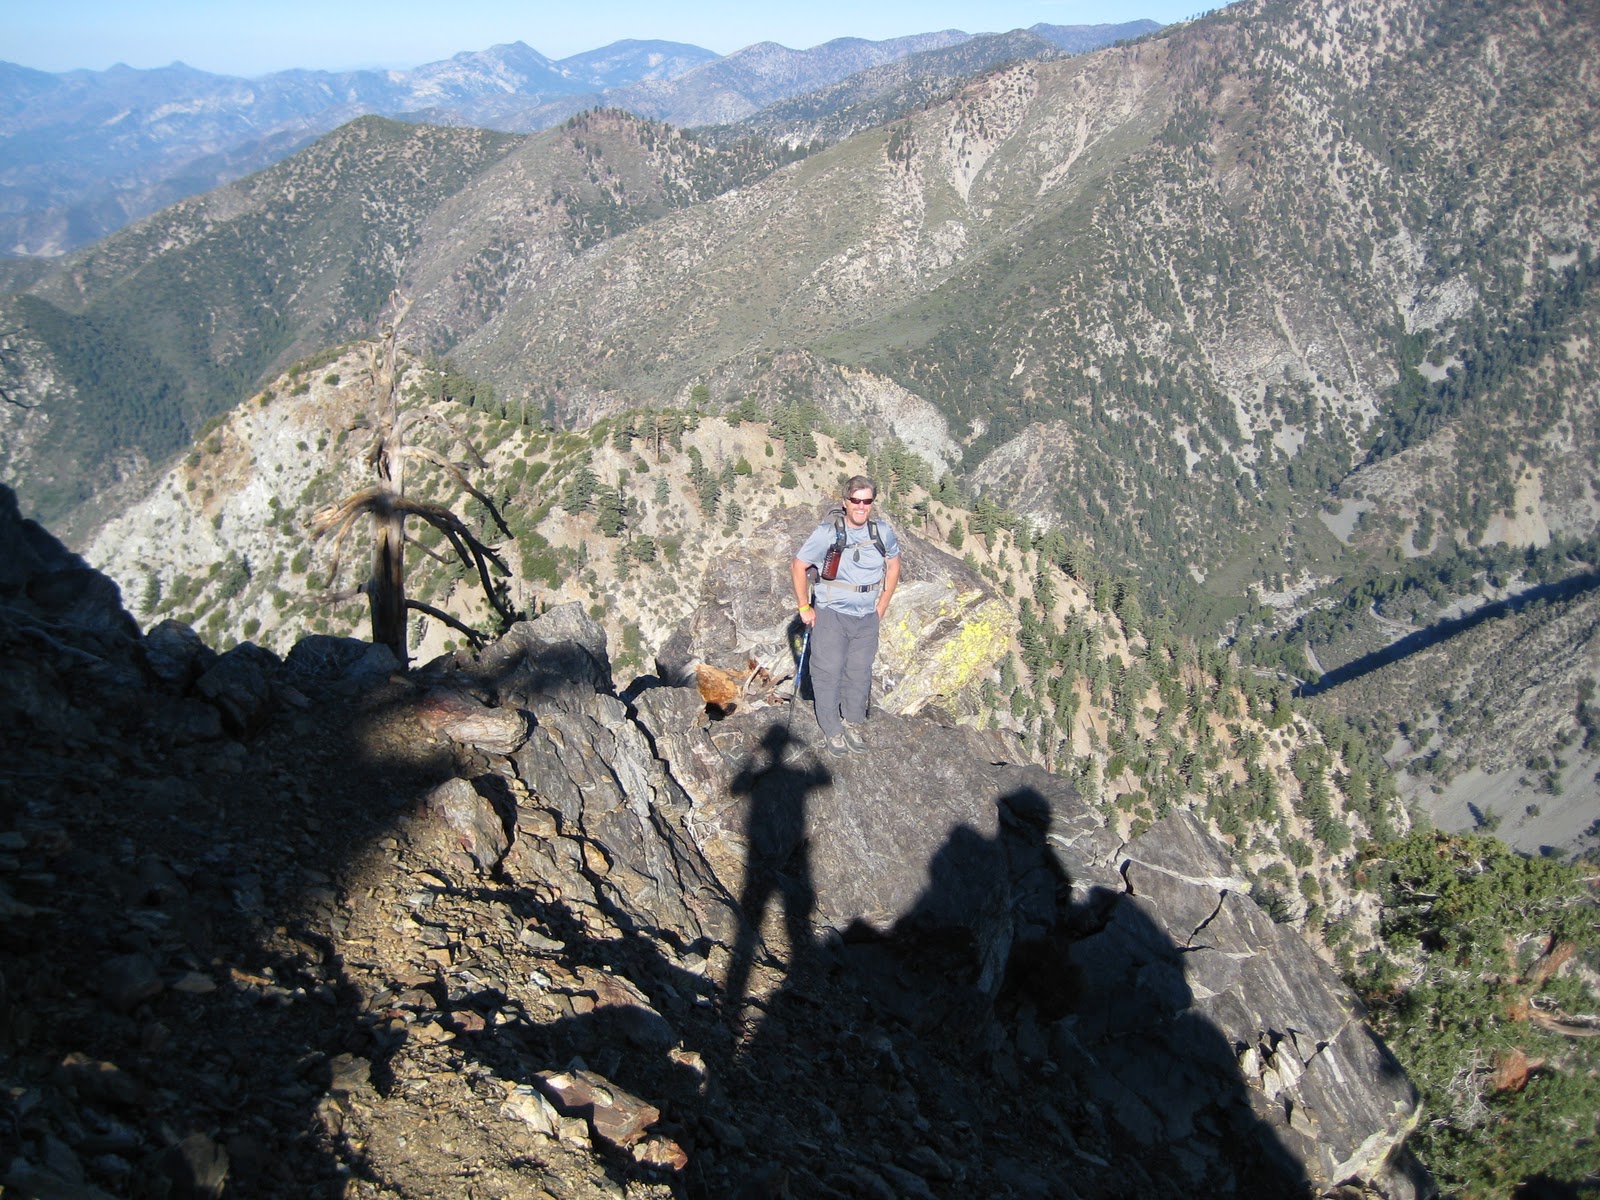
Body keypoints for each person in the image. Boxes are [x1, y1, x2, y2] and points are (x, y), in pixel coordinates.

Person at [791, 476, 901, 756]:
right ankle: (833, 730)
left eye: (867, 501)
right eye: (856, 500)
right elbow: (799, 565)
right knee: (828, 672)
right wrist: (804, 607)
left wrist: (882, 606)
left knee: (859, 672)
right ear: (845, 502)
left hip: (867, 616)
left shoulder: (881, 532)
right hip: (832, 613)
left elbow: (893, 565)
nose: (861, 506)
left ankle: (853, 722)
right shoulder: (827, 533)